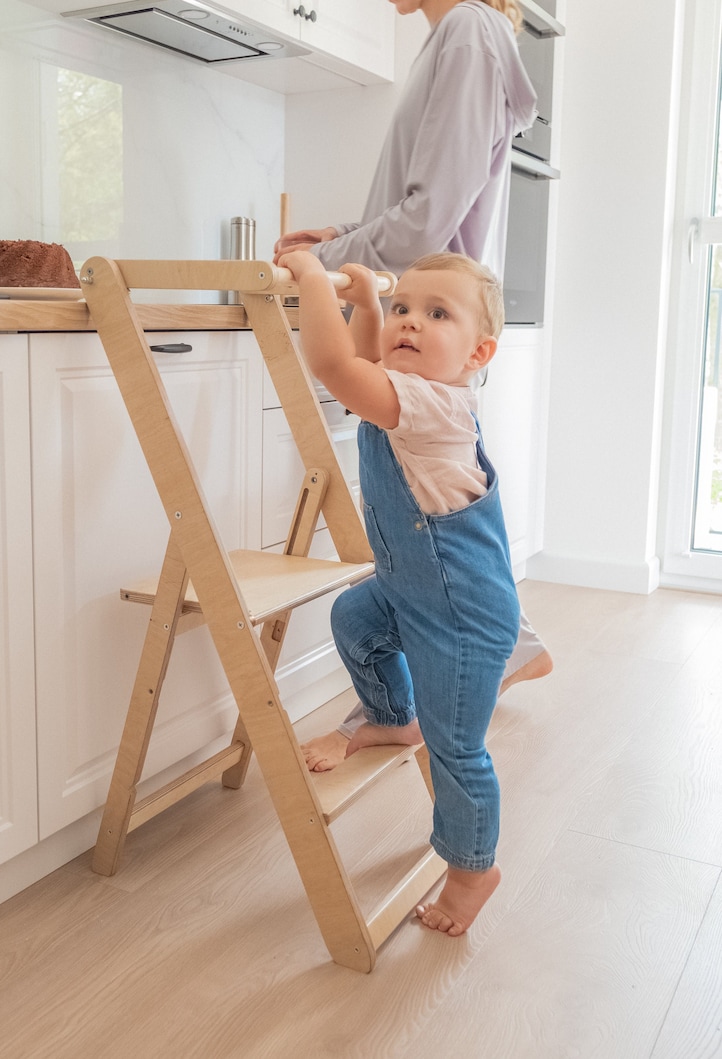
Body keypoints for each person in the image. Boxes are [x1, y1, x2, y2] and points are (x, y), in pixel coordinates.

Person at [275, 0, 553, 772]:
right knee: (436, 514)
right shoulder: (455, 36)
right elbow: (426, 208)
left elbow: (428, 222)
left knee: (440, 524)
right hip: (427, 349)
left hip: (430, 359)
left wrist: (320, 273)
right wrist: (347, 253)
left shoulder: (466, 28)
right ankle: (497, 650)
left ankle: (486, 663)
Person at [279, 248, 519, 935]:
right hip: (406, 589)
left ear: (478, 352)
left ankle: (474, 870)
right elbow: (364, 364)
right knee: (353, 617)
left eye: (436, 314)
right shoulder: (405, 386)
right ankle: (390, 714)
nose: (411, 323)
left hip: (463, 621)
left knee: (457, 749)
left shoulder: (435, 405)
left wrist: (315, 280)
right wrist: (365, 303)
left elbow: (335, 370)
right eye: (405, 307)